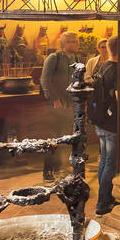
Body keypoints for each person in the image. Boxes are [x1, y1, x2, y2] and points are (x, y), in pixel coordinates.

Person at [40, 31, 81, 180]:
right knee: (53, 138)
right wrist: (55, 99)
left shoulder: (76, 59)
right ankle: (47, 169)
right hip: (56, 105)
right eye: (71, 41)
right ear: (63, 44)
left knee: (66, 137)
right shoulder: (54, 58)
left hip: (71, 105)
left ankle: (60, 167)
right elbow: (45, 80)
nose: (75, 44)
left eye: (76, 41)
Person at [90, 36, 120, 217]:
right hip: (110, 123)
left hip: (99, 121)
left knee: (103, 161)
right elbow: (118, 97)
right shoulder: (117, 70)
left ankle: (106, 199)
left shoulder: (102, 66)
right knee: (109, 163)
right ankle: (102, 203)